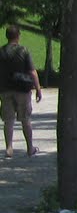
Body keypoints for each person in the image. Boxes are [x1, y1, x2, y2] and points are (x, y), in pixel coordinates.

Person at [0, 24, 43, 156]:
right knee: (25, 119)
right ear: (18, 36)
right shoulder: (23, 51)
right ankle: (30, 147)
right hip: (22, 90)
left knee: (8, 120)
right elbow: (32, 71)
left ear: (7, 36)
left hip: (5, 89)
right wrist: (38, 89)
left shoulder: (1, 51)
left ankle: (9, 148)